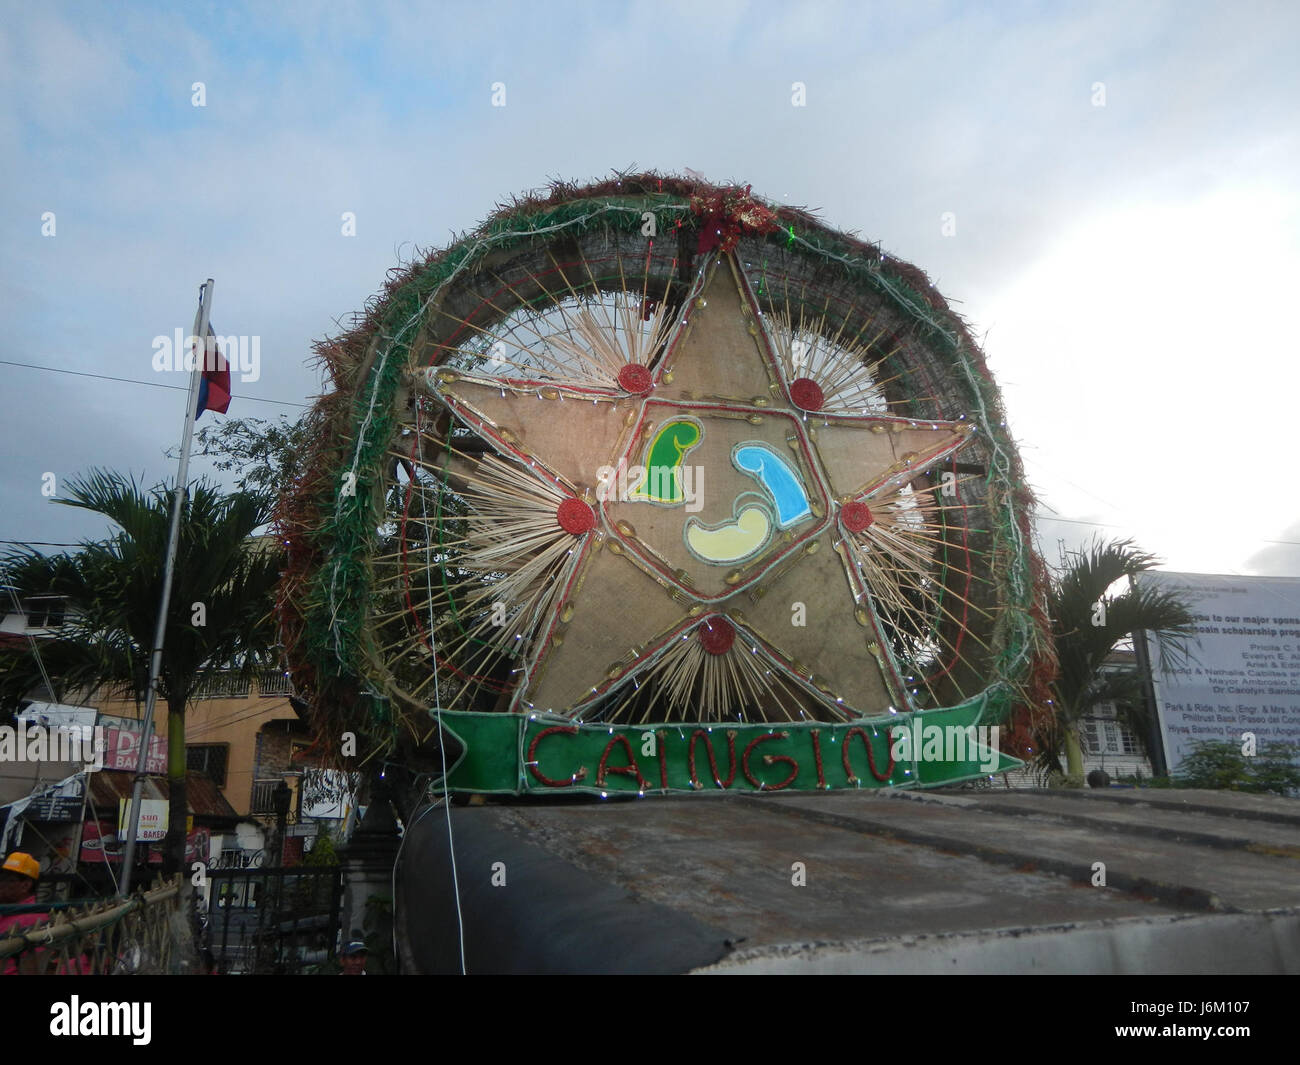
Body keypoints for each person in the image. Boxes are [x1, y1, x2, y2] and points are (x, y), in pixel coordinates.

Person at [0, 852, 46, 975]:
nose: (1, 884)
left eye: (7, 880)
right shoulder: (8, 910)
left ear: (25, 885)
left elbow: (32, 967)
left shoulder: (32, 919)